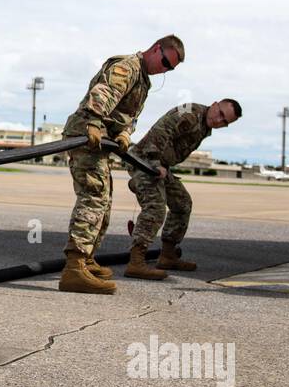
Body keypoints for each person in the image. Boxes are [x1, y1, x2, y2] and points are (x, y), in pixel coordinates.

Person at [59, 37, 183, 294]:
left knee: (104, 201)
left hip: (102, 141)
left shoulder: (144, 82)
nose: (164, 70)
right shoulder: (127, 67)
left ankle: (88, 258)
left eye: (169, 69)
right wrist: (93, 120)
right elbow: (104, 92)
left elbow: (129, 115)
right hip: (87, 135)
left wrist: (125, 133)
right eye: (164, 62)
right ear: (155, 49)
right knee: (93, 197)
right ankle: (74, 267)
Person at [124, 99, 241, 280]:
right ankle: (136, 262)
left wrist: (162, 167)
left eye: (225, 122)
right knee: (155, 207)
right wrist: (154, 164)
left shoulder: (204, 126)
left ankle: (167, 256)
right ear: (215, 104)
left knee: (182, 204)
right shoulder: (190, 113)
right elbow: (161, 130)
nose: (219, 121)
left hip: (161, 166)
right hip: (144, 160)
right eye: (220, 114)